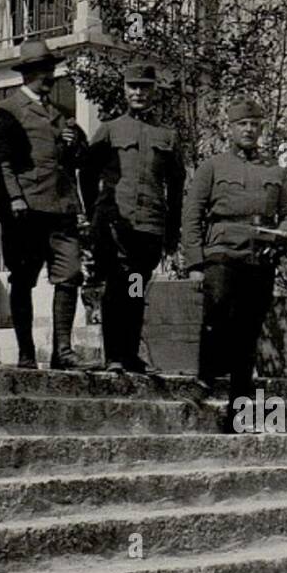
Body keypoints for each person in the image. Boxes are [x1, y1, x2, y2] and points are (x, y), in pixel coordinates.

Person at [181, 96, 287, 430]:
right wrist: (194, 262)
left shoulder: (274, 170)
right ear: (230, 128)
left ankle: (239, 401)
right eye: (242, 124)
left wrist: (284, 234)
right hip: (222, 252)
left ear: (261, 127)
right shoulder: (213, 166)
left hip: (259, 259)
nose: (249, 129)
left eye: (254, 124)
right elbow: (192, 214)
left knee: (249, 329)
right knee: (217, 312)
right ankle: (204, 378)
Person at [0, 39, 88, 369]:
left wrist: (74, 144)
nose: (48, 76)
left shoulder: (62, 116)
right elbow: (1, 163)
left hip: (61, 209)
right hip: (26, 210)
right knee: (23, 279)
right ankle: (26, 353)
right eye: (41, 70)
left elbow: (76, 161)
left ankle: (63, 351)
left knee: (70, 273)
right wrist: (15, 197)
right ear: (26, 74)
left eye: (50, 70)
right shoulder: (6, 111)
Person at [80, 63, 185, 374]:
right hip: (115, 222)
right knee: (115, 285)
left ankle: (130, 354)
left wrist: (172, 230)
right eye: (133, 87)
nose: (138, 92)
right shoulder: (110, 130)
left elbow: (176, 185)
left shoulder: (167, 135)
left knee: (137, 286)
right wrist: (93, 212)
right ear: (124, 90)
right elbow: (87, 172)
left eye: (144, 87)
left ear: (154, 90)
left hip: (149, 225)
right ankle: (113, 355)